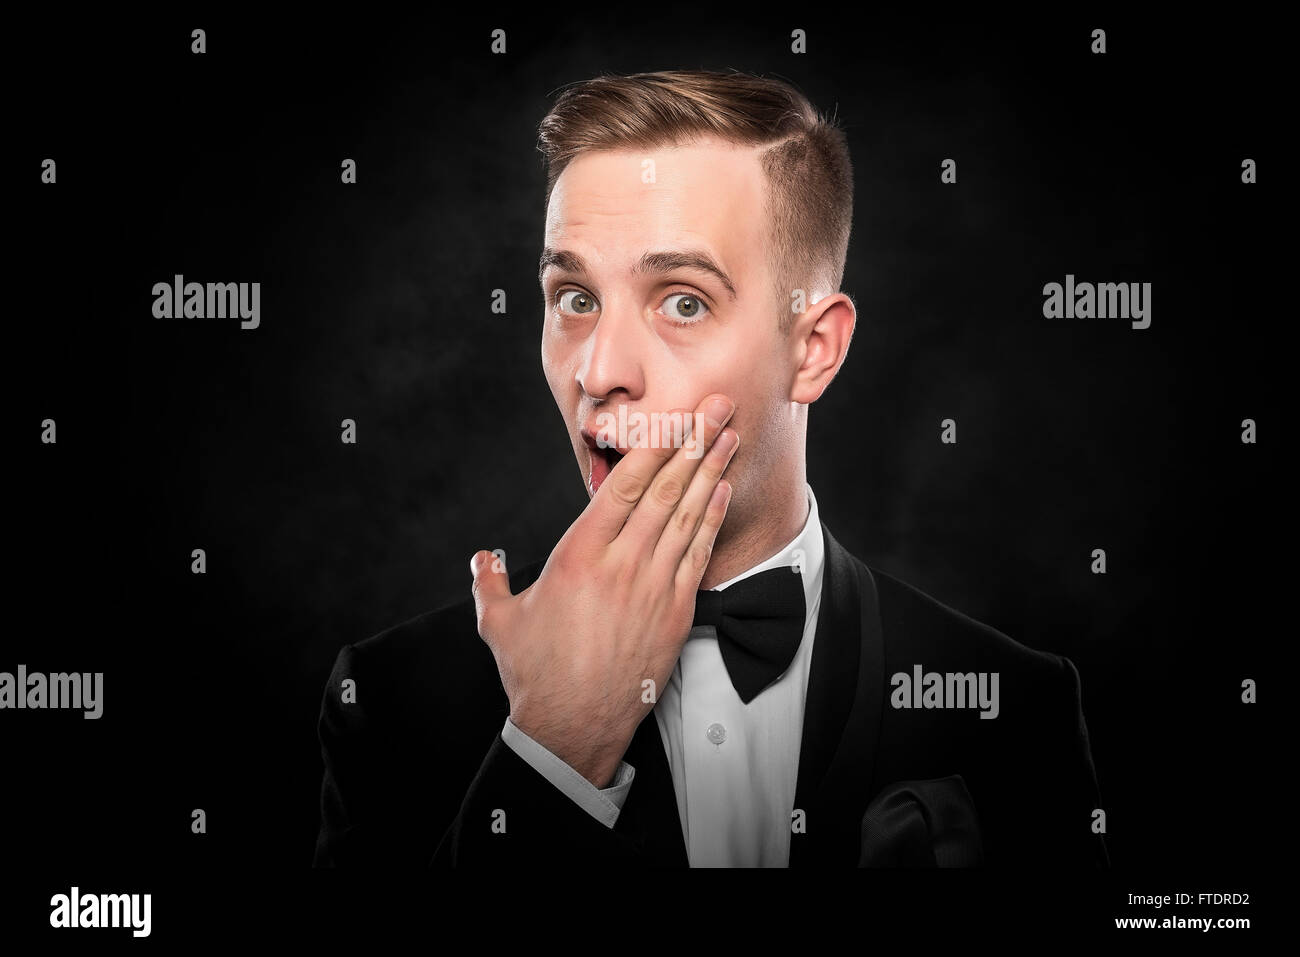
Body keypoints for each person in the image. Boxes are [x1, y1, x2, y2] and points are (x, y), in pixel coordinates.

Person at [313, 69, 1108, 868]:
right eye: (575, 296)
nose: (598, 371)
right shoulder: (390, 702)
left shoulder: (1015, 705)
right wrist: (549, 753)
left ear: (814, 349)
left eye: (683, 301)